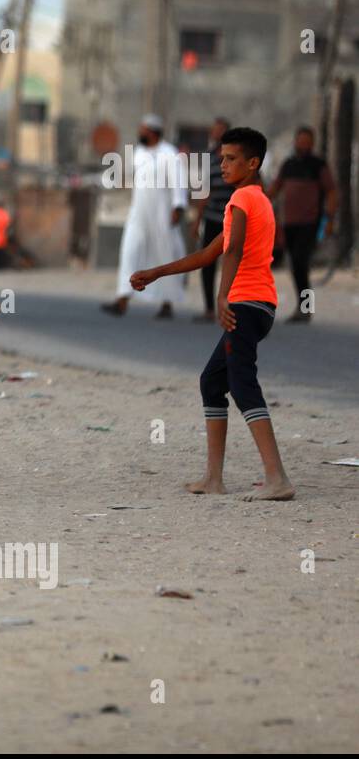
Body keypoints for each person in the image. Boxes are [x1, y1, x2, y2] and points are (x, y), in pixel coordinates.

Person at [129, 126, 294, 501]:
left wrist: (222, 298)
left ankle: (277, 478)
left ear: (253, 163)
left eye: (232, 159)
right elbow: (208, 254)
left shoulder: (242, 200)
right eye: (222, 158)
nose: (223, 165)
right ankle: (213, 479)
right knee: (212, 381)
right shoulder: (257, 200)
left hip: (246, 303)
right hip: (258, 305)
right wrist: (155, 273)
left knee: (242, 383)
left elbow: (232, 251)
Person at [103, 114, 188, 319]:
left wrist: (178, 207)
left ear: (152, 131)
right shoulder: (139, 152)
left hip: (162, 215)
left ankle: (167, 303)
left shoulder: (170, 153)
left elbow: (179, 182)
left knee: (165, 256)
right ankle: (122, 298)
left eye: (143, 129)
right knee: (129, 251)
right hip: (138, 213)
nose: (139, 132)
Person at [267, 126, 339, 322]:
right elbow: (275, 188)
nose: (304, 144)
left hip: (309, 222)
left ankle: (306, 308)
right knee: (296, 266)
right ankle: (303, 307)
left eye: (308, 140)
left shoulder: (318, 166)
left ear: (312, 143)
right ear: (296, 141)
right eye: (301, 140)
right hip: (289, 222)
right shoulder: (288, 165)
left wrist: (330, 218)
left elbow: (331, 191)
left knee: (301, 262)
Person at [189, 117, 232, 322]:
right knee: (207, 262)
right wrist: (197, 221)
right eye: (214, 130)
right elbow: (203, 191)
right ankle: (209, 308)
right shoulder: (208, 157)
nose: (217, 134)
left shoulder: (236, 155)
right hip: (213, 217)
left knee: (235, 263)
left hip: (235, 218)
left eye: (220, 130)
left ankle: (237, 309)